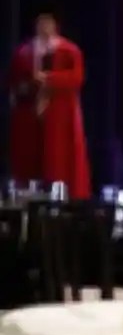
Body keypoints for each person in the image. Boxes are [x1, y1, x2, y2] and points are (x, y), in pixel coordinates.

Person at [7, 13, 91, 199]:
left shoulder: (69, 51)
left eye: (48, 23)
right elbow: (14, 82)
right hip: (29, 115)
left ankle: (61, 198)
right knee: (30, 161)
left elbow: (76, 78)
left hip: (60, 115)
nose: (44, 28)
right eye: (41, 23)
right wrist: (31, 83)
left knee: (58, 161)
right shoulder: (24, 52)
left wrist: (50, 79)